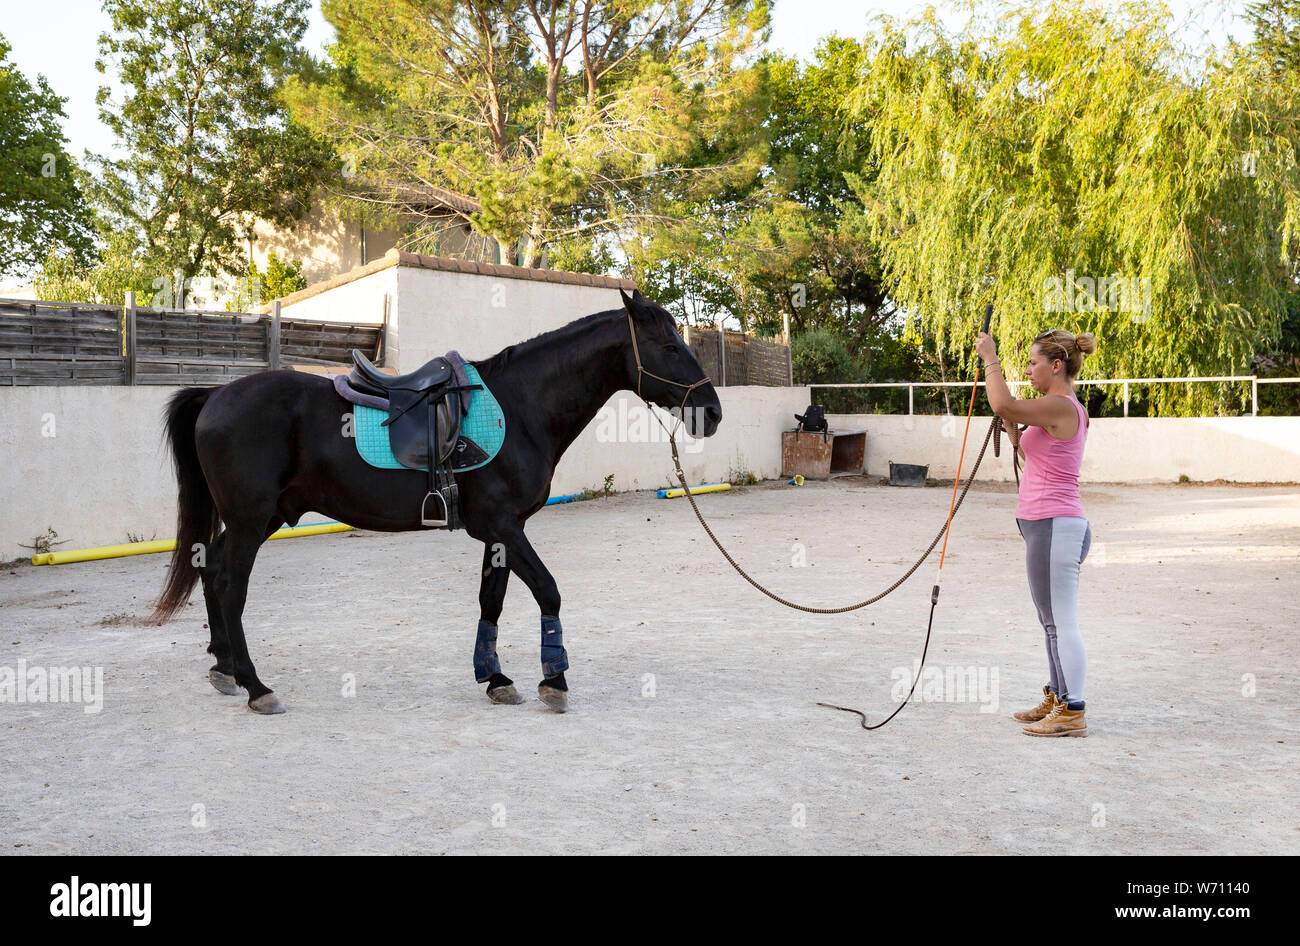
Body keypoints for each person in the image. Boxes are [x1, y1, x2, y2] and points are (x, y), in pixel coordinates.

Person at [975, 327, 1097, 737]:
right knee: (1050, 621)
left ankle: (1073, 710)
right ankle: (1059, 696)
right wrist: (1015, 436)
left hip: (1056, 526)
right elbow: (1041, 460)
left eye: (1032, 362)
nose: (1027, 369)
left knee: (1062, 620)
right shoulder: (1054, 409)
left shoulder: (1060, 405)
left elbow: (1002, 401)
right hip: (1045, 525)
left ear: (1056, 366)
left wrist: (990, 357)